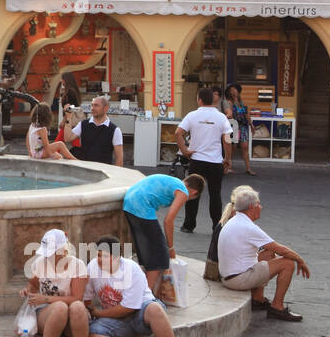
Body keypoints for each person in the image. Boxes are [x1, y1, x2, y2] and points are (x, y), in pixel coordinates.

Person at [85, 235, 190, 337]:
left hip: (140, 312)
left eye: (106, 256)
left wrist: (99, 313)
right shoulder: (92, 266)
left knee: (155, 309)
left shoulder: (130, 268)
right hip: (116, 321)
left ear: (117, 257)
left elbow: (128, 307)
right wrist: (88, 310)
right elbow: (86, 297)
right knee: (94, 333)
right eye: (99, 255)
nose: (100, 260)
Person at [216, 185, 309, 321]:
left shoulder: (234, 220)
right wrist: (300, 260)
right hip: (238, 280)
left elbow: (271, 249)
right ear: (252, 207)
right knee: (288, 263)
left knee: (268, 253)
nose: (261, 207)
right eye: (259, 204)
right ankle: (277, 307)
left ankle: (257, 299)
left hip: (228, 276)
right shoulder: (248, 227)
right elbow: (281, 249)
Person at [21, 229, 90, 337]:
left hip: (72, 315)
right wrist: (27, 291)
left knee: (77, 306)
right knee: (60, 307)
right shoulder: (40, 263)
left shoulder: (78, 265)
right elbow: (32, 285)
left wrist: (46, 298)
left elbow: (77, 297)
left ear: (62, 250)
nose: (48, 255)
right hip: (48, 313)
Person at [121, 172, 206, 292]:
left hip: (129, 204)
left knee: (146, 254)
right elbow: (168, 221)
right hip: (142, 208)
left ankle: (140, 289)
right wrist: (171, 248)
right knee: (159, 257)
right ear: (194, 193)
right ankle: (147, 295)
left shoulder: (174, 181)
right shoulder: (183, 192)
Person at [175, 86, 232, 233]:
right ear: (213, 99)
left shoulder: (192, 115)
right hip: (215, 161)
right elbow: (227, 140)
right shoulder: (221, 117)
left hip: (197, 160)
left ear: (199, 99)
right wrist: (227, 159)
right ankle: (217, 226)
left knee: (192, 192)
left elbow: (178, 133)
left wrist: (184, 151)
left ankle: (188, 225)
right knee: (215, 195)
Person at [65, 96, 120, 166]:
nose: (92, 108)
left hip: (104, 170)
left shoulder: (115, 130)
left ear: (106, 108)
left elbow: (119, 157)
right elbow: (67, 138)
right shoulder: (83, 124)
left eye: (96, 105)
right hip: (85, 169)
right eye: (92, 105)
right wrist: (68, 117)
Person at [223, 83, 255, 175]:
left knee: (245, 147)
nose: (234, 91)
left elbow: (246, 114)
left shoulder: (241, 102)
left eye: (235, 89)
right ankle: (227, 167)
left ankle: (248, 168)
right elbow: (230, 114)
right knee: (232, 147)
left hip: (243, 126)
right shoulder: (228, 102)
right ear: (229, 92)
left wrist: (251, 124)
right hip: (234, 125)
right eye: (231, 90)